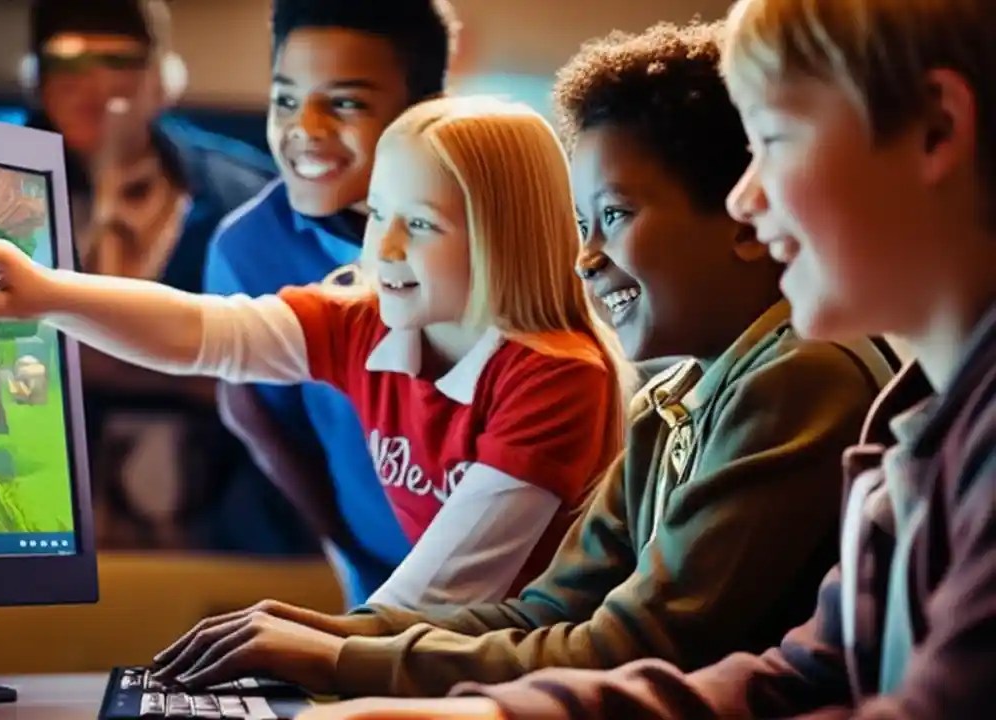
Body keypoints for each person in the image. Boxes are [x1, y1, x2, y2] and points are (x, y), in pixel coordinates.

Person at [149, 20, 901, 698]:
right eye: (581, 223)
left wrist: (341, 660)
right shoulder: (672, 396)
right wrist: (327, 633)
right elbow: (547, 609)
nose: (586, 258)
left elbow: (636, 644)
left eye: (614, 215)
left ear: (744, 215)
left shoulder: (798, 377)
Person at [313, 0, 996, 716]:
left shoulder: (823, 378)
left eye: (774, 140)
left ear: (937, 129)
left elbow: (650, 642)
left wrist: (349, 660)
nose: (748, 199)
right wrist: (466, 704)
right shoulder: (910, 421)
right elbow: (799, 677)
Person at [0, 93, 628, 623]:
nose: (382, 250)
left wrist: (304, 645)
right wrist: (46, 294)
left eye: (419, 224)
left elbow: (446, 595)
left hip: (537, 680)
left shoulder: (556, 378)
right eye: (377, 215)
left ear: (503, 237)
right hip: (443, 657)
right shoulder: (368, 323)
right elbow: (202, 332)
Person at [25, 0, 314, 553]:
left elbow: (296, 375)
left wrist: (114, 362)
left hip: (217, 533)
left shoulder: (246, 199)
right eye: (66, 61)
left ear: (161, 78)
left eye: (119, 60)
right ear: (38, 80)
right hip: (43, 532)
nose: (93, 84)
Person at [203, 0, 462, 608]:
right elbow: (256, 416)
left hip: (537, 584)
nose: (306, 128)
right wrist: (355, 554)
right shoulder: (250, 250)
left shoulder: (489, 224)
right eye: (286, 100)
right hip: (385, 581)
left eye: (344, 103)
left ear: (424, 110)